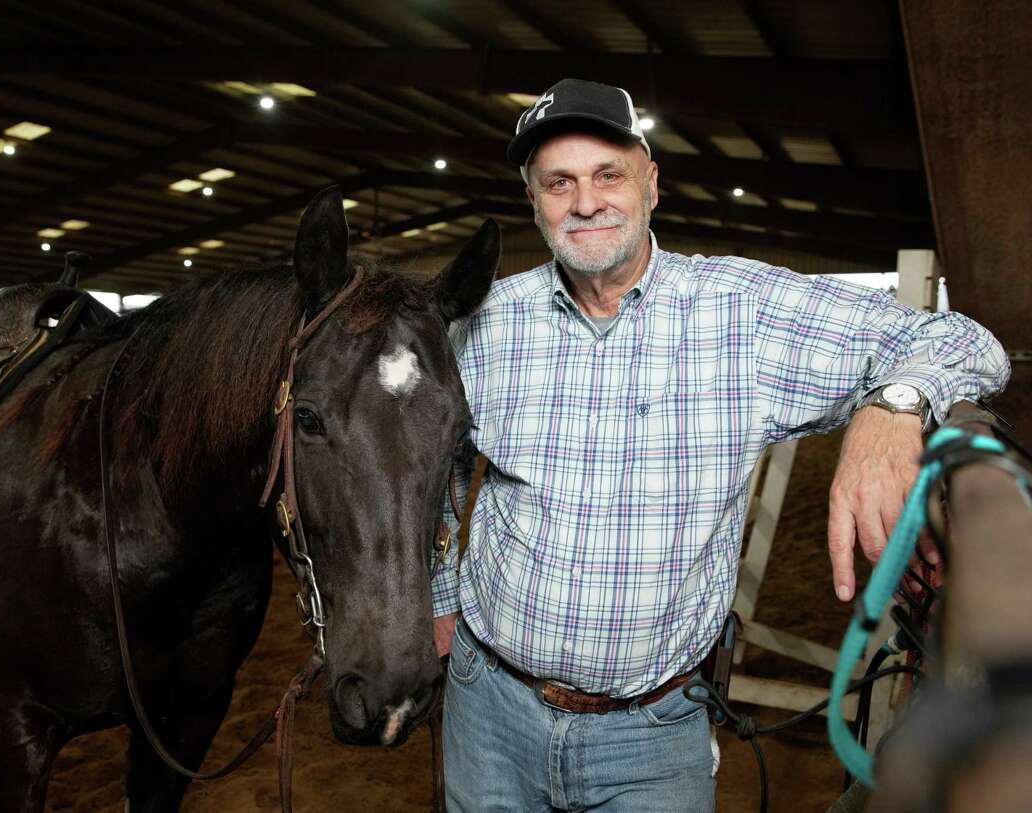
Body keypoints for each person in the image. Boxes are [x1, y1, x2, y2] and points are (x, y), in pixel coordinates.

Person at [430, 77, 1010, 812]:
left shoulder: (744, 312)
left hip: (651, 731)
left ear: (651, 183)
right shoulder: (485, 325)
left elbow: (967, 341)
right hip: (490, 709)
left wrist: (893, 406)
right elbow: (437, 464)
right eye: (559, 183)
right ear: (533, 200)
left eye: (608, 175)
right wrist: (442, 599)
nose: (584, 202)